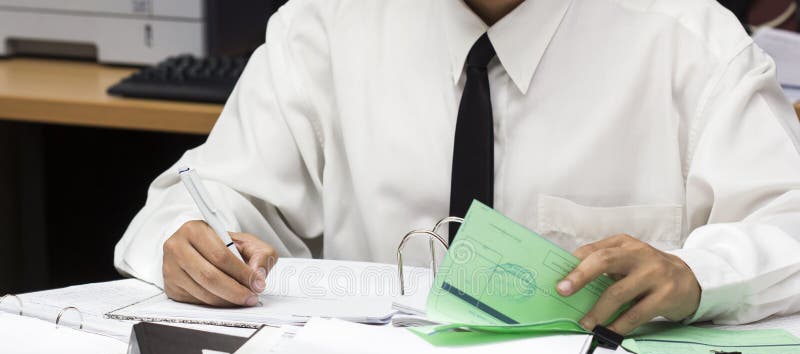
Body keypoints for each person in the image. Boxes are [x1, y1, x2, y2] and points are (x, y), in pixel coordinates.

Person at [115, 0, 800, 335]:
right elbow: (205, 198)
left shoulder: (688, 38)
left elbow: (787, 222)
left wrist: (696, 275)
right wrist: (190, 246)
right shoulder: (326, 24)